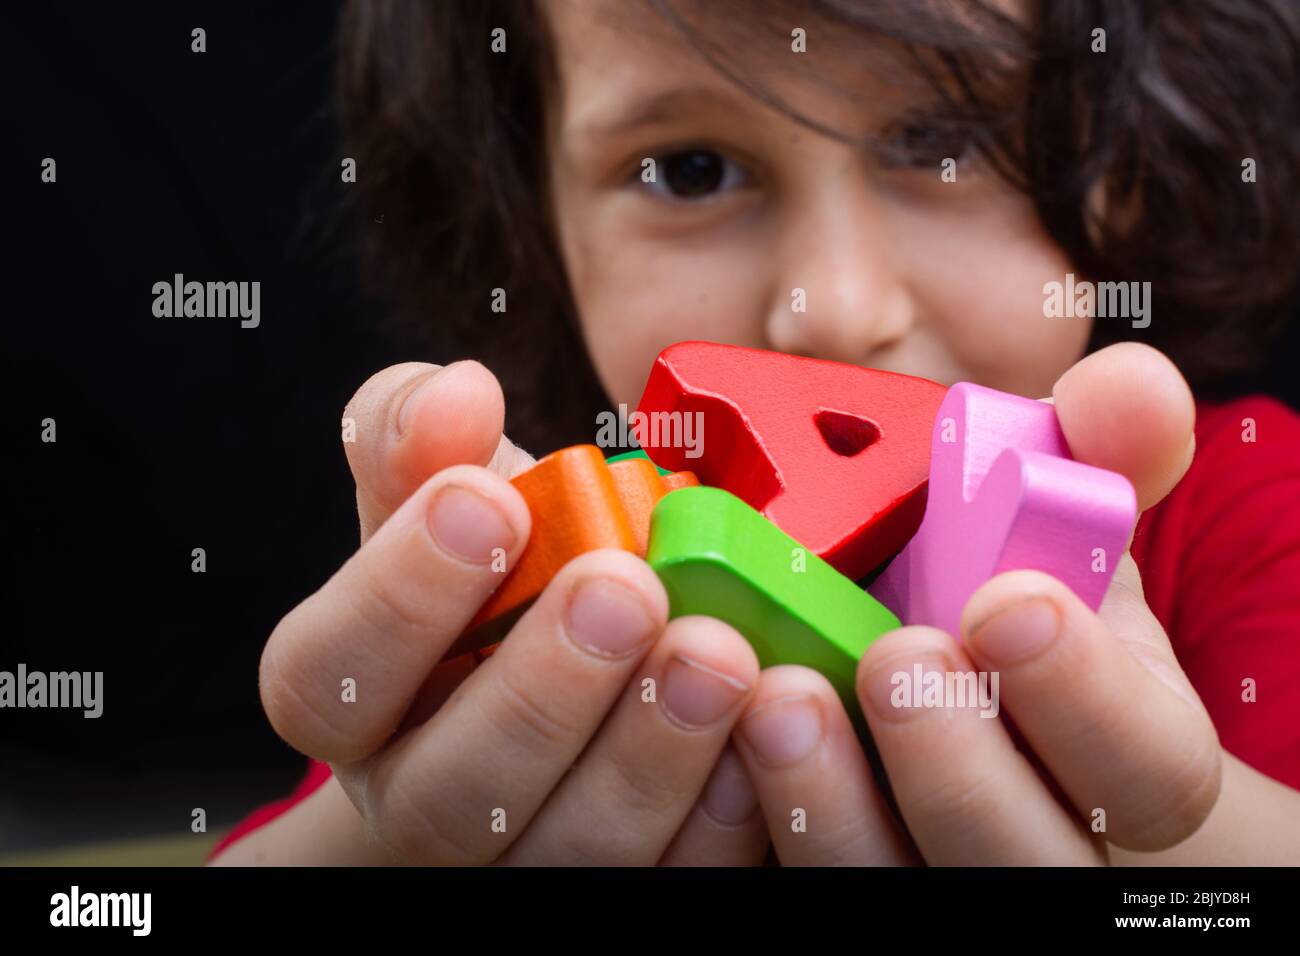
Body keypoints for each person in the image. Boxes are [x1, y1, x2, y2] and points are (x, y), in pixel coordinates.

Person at [209, 0, 1300, 865]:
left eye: (944, 139)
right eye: (689, 169)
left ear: (1118, 172)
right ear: (535, 219)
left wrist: (1171, 841)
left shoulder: (1250, 504)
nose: (830, 304)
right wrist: (387, 836)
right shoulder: (545, 576)